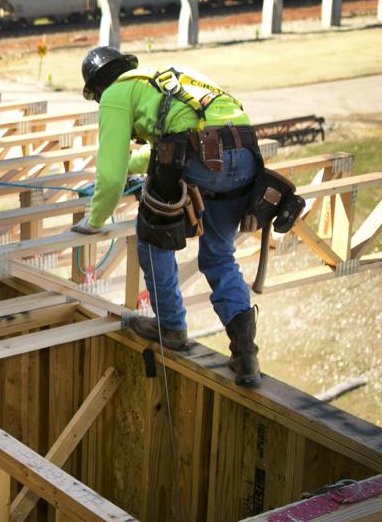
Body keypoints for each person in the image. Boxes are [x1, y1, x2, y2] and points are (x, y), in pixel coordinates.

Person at [70, 47, 262, 386]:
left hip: (199, 155)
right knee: (219, 254)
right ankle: (245, 354)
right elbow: (170, 139)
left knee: (152, 235)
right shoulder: (166, 78)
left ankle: (171, 326)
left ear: (98, 89)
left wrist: (94, 221)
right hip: (245, 152)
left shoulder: (115, 94)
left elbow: (111, 177)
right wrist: (135, 167)